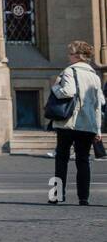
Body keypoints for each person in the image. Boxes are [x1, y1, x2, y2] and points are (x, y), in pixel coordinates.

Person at [48, 39, 102, 207]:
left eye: (70, 53)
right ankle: (83, 197)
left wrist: (54, 86)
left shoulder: (69, 71)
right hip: (88, 125)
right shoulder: (95, 75)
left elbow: (67, 92)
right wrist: (98, 129)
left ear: (78, 56)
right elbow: (98, 105)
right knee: (83, 161)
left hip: (68, 123)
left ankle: (56, 195)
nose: (68, 57)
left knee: (61, 159)